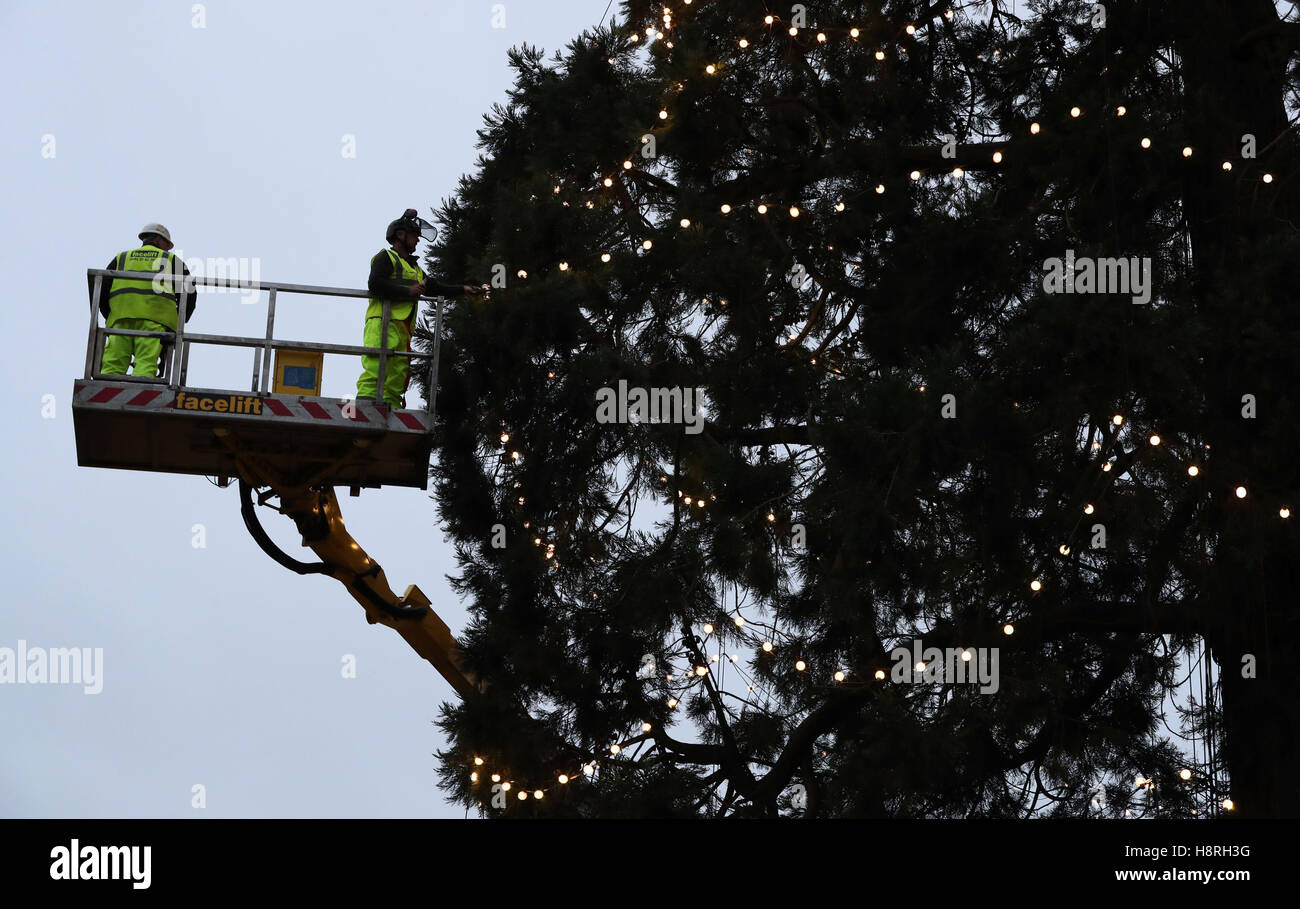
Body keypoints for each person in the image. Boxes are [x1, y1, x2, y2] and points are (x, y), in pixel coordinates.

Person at [358, 208, 483, 407]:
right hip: (382, 322)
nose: (417, 240)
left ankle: (392, 410)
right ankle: (365, 406)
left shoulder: (414, 268)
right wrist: (408, 291)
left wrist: (464, 289)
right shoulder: (385, 258)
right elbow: (375, 284)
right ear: (400, 235)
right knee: (377, 365)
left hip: (403, 329)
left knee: (398, 372)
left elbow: (434, 287)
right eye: (414, 236)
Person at [92, 223, 197, 377]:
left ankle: (105, 388)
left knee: (113, 361)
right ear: (159, 240)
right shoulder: (171, 259)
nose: (167, 250)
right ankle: (142, 389)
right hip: (154, 321)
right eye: (167, 245)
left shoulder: (122, 258)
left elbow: (102, 288)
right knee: (146, 362)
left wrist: (110, 314)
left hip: (121, 319)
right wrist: (180, 320)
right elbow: (189, 292)